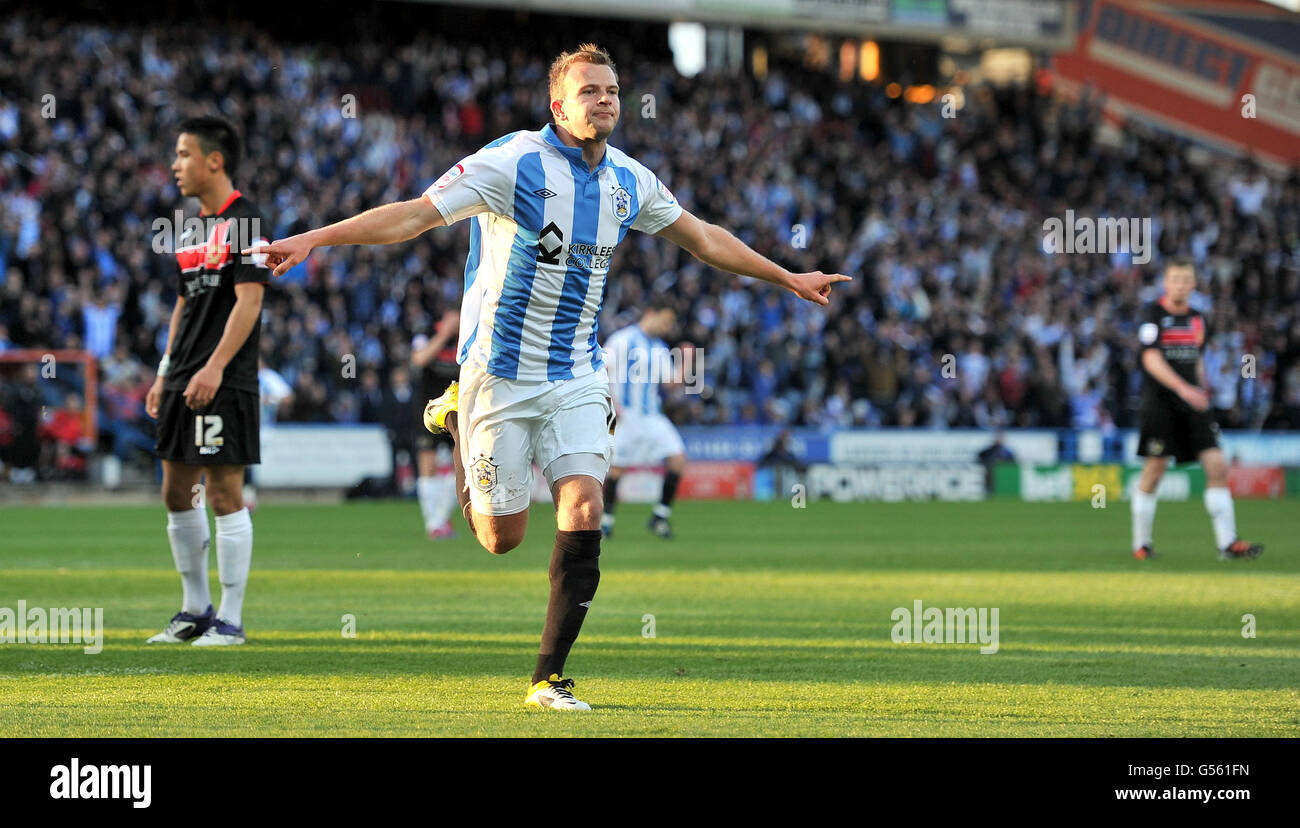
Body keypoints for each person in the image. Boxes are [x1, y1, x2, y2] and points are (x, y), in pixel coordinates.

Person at [253, 44, 849, 710]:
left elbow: (704, 237)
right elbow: (415, 214)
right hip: (497, 376)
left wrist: (788, 276)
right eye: (590, 90)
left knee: (585, 506)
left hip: (576, 372)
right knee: (500, 539)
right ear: (558, 104)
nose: (605, 100)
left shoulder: (628, 180)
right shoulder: (511, 163)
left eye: (613, 90)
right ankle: (453, 417)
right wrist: (315, 239)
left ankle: (547, 678)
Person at [145, 115, 270, 646]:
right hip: (182, 378)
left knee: (223, 492)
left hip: (225, 378)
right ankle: (195, 610)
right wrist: (164, 371)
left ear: (214, 161)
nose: (175, 166)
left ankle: (232, 621)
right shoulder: (190, 227)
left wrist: (214, 367)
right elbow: (182, 304)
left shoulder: (247, 222)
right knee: (176, 491)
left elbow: (250, 300)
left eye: (183, 155)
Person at [1130, 259, 1262, 562]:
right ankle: (1142, 544)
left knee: (1217, 465)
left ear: (1192, 284)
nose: (1180, 284)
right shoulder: (1152, 315)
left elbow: (1196, 360)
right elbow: (1150, 359)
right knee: (1155, 470)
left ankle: (1228, 544)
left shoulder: (1199, 319)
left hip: (1193, 403)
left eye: (1185, 279)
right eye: (1174, 279)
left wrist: (1201, 387)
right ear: (1166, 282)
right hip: (1161, 404)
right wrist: (1183, 388)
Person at [600, 298, 687, 539]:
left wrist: (687, 361)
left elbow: (670, 384)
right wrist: (611, 402)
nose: (668, 326)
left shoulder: (659, 347)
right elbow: (601, 370)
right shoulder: (622, 339)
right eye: (666, 320)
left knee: (678, 460)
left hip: (652, 416)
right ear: (651, 312)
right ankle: (606, 522)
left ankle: (660, 517)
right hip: (626, 415)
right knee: (617, 469)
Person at [411, 309, 460, 539]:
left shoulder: (471, 335)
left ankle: (440, 518)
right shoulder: (426, 333)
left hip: (458, 411)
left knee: (463, 467)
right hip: (429, 410)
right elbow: (419, 359)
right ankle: (433, 523)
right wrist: (444, 335)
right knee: (428, 466)